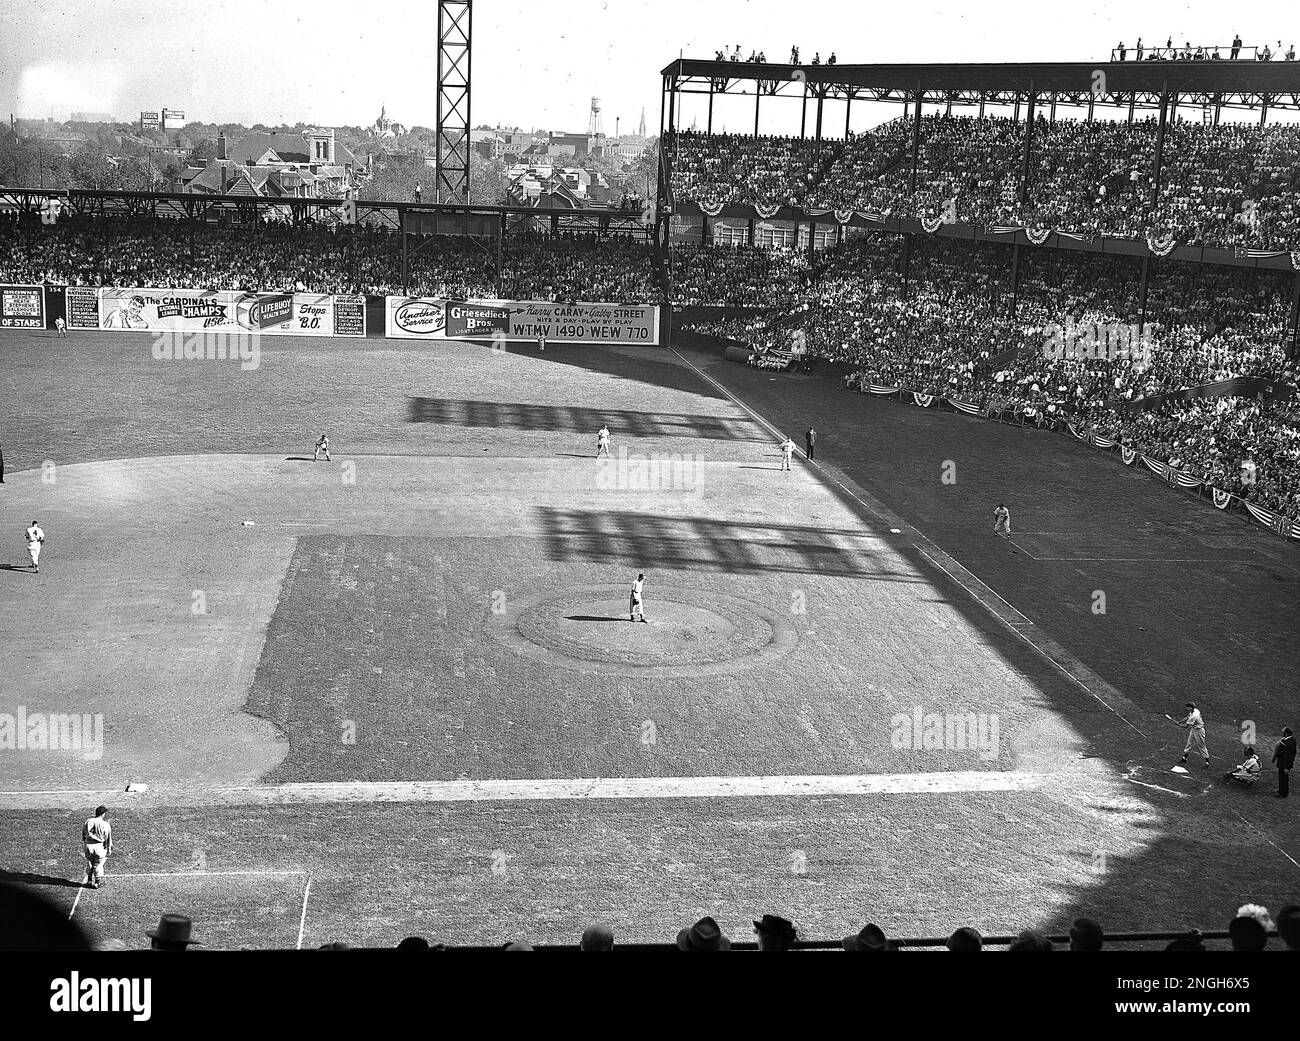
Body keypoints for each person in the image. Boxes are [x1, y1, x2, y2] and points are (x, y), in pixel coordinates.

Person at [81, 806, 112, 889]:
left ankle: (89, 881)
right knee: (98, 864)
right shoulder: (105, 824)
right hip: (99, 847)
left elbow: (84, 833)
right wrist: (109, 848)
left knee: (90, 862)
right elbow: (108, 838)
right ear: (102, 814)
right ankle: (97, 882)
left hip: (88, 846)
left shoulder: (88, 821)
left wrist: (85, 842)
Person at [1176, 702, 1210, 768]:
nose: (1186, 708)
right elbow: (1188, 717)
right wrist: (1180, 721)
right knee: (1189, 743)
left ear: (1190, 707)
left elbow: (1186, 726)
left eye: (1187, 707)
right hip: (1194, 729)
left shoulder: (1194, 716)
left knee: (1201, 746)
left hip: (1199, 731)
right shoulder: (1195, 710)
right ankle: (1184, 758)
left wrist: (1178, 725)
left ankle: (1207, 762)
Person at [1272, 727, 1296, 798]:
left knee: (1284, 779)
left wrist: (1286, 767)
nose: (1282, 733)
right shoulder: (1291, 740)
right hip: (1282, 763)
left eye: (1283, 732)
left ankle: (1283, 793)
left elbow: (1288, 756)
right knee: (1282, 778)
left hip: (1284, 764)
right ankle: (1281, 790)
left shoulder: (1288, 743)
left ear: (1287, 733)